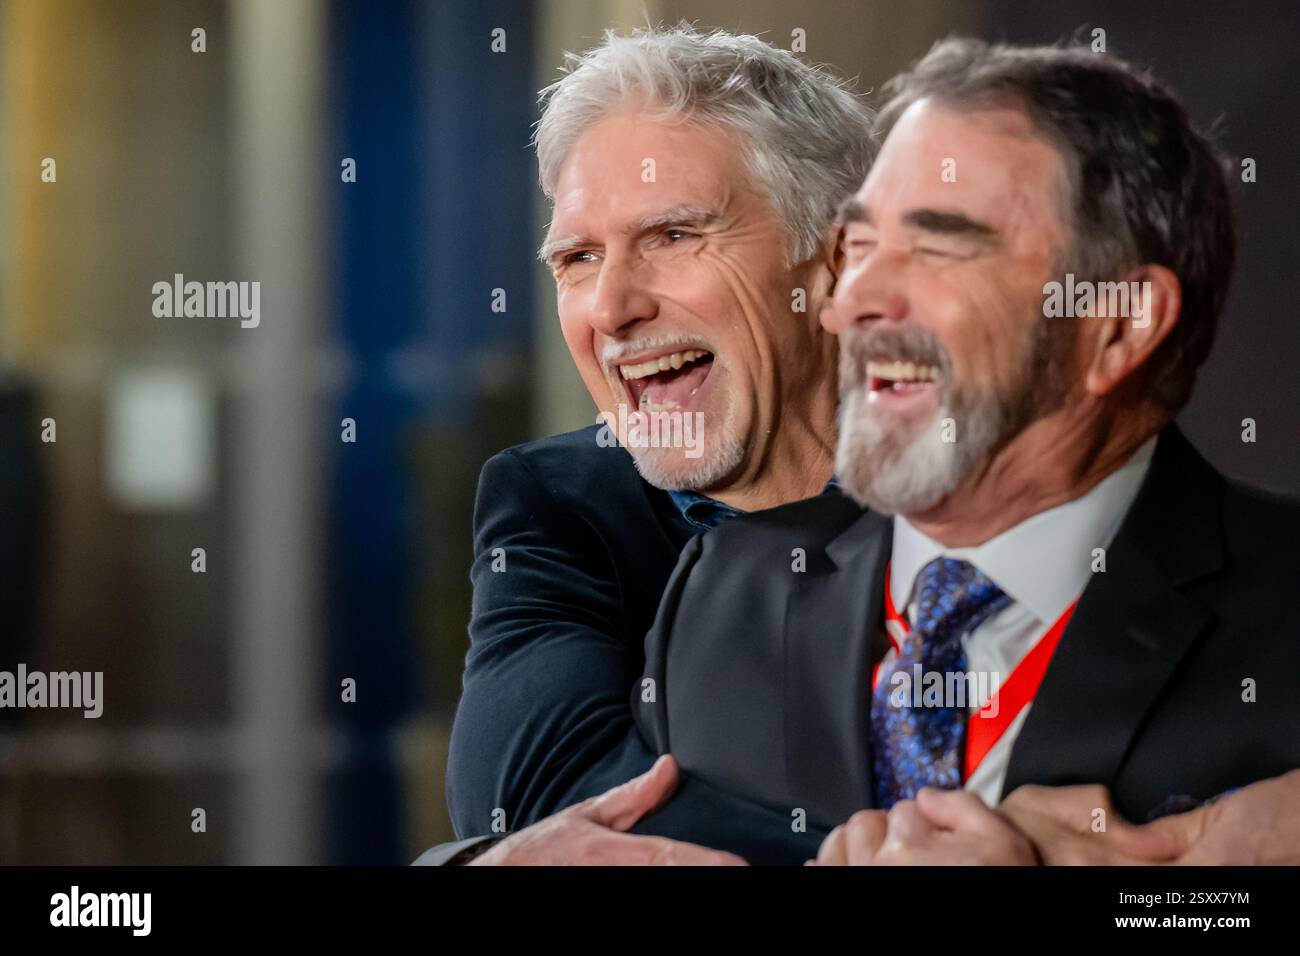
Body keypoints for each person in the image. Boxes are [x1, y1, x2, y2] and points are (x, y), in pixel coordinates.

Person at [632, 38, 1300, 865]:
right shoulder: (724, 594)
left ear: (1119, 324)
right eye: (860, 248)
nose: (853, 301)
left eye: (941, 245)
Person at [424, 25, 873, 865]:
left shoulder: (982, 493)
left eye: (673, 236)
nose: (611, 306)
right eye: (579, 258)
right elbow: (554, 818)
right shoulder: (559, 505)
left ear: (839, 261)